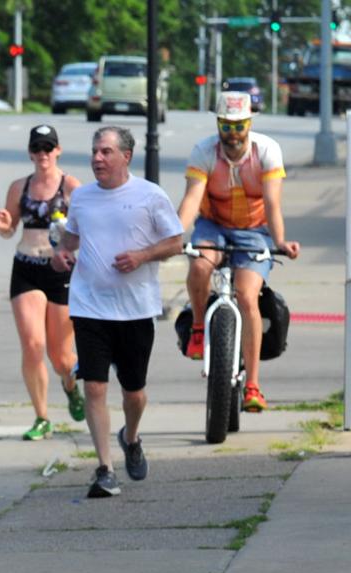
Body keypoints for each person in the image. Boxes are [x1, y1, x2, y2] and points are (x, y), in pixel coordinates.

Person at [51, 126, 183, 499]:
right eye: (95, 151)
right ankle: (105, 469)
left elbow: (175, 242)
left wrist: (142, 255)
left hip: (136, 309)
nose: (97, 158)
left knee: (134, 392)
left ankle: (131, 436)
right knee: (94, 386)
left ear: (126, 156)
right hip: (89, 306)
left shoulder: (150, 195)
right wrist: (61, 253)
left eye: (106, 151)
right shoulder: (82, 197)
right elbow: (71, 237)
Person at [176, 90, 301, 412]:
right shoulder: (204, 151)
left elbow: (272, 204)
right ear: (218, 124)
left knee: (247, 296)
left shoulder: (267, 150)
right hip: (213, 225)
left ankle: (253, 386)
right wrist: (174, 236)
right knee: (200, 265)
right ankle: (199, 327)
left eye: (239, 125)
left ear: (249, 124)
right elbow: (192, 199)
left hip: (255, 230)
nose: (233, 133)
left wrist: (281, 241)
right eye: (226, 125)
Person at [0, 124, 85, 441]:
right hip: (27, 267)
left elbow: (86, 229)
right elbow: (9, 230)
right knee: (33, 345)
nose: (42, 154)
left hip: (60, 271)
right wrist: (4, 225)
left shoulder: (71, 186)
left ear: (58, 150)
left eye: (48, 148)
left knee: (61, 358)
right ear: (30, 153)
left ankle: (70, 386)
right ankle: (42, 417)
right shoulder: (20, 186)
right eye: (37, 148)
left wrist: (71, 248)